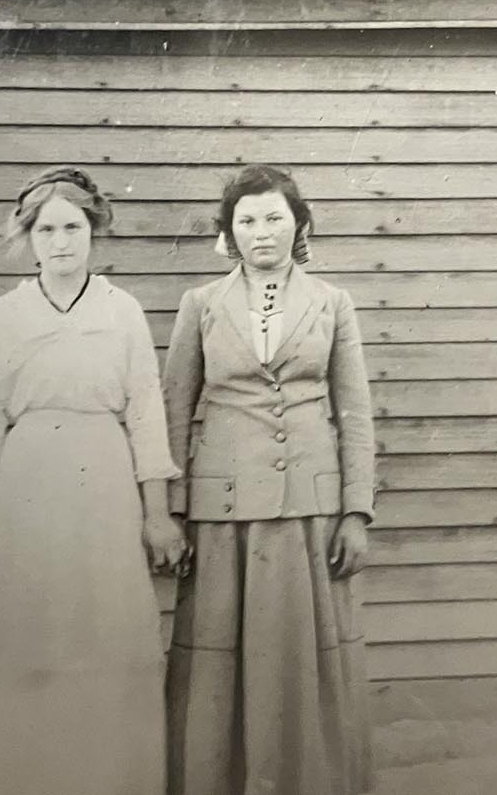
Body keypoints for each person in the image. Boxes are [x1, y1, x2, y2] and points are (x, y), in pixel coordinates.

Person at [0, 167, 189, 795]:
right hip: (27, 487)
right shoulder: (2, 317)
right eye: (47, 230)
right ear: (28, 238)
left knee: (104, 630)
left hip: (104, 485)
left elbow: (146, 414)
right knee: (28, 633)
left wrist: (156, 513)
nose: (61, 242)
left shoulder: (122, 311)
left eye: (73, 228)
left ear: (94, 232)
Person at [162, 165, 376, 795]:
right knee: (218, 658)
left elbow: (355, 411)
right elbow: (174, 408)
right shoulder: (201, 305)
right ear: (229, 232)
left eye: (275, 218)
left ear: (299, 225)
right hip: (222, 511)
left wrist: (356, 512)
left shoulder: (332, 303)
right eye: (248, 220)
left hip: (309, 508)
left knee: (303, 657)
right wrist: (172, 511)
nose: (262, 232)